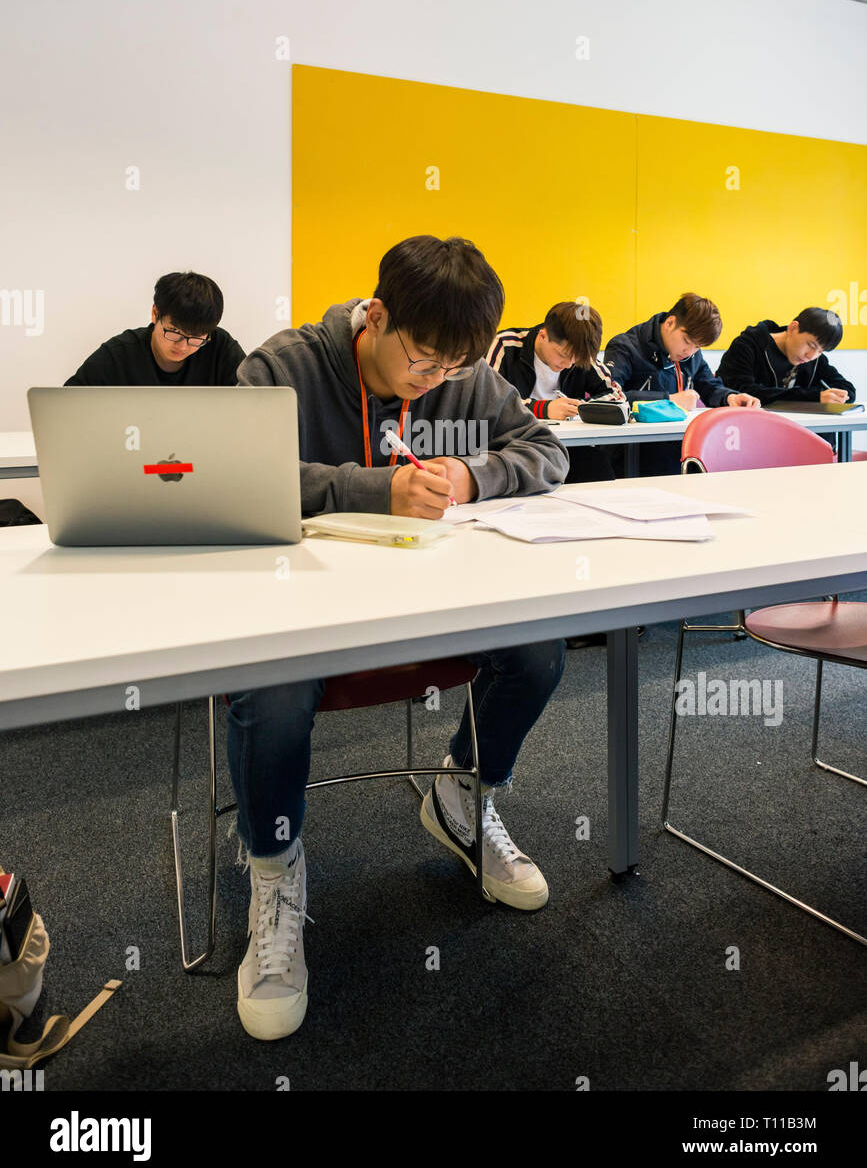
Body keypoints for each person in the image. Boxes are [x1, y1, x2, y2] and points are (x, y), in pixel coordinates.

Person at [227, 235, 569, 1041]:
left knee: (537, 649)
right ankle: (274, 870)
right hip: (297, 610)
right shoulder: (282, 368)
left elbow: (546, 450)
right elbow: (231, 474)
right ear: (375, 316)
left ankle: (460, 792)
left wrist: (473, 475)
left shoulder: (467, 375)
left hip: (428, 604)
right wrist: (370, 490)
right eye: (421, 361)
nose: (436, 380)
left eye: (455, 367)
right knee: (271, 695)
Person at [603, 292, 760, 474]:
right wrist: (669, 400)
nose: (689, 352)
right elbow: (611, 398)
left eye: (698, 347)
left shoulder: (690, 354)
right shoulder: (625, 347)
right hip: (632, 453)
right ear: (670, 323)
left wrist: (730, 397)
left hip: (678, 448)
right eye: (687, 341)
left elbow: (709, 385)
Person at [487, 300, 624, 483]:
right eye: (562, 355)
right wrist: (543, 409)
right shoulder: (506, 345)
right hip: (514, 446)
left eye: (576, 359)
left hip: (567, 446)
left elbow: (617, 395)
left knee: (599, 469)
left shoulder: (577, 354)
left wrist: (583, 408)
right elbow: (489, 401)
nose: (568, 364)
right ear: (543, 335)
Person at [64, 271, 245, 385]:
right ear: (155, 313)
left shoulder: (220, 348)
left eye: (196, 339)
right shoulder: (119, 354)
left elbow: (253, 408)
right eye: (174, 333)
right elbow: (67, 406)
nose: (182, 346)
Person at [717, 308, 856, 405]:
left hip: (794, 433)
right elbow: (744, 392)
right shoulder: (748, 346)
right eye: (811, 345)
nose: (811, 356)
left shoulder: (814, 359)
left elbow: (847, 390)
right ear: (793, 328)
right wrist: (814, 397)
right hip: (746, 431)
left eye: (821, 351)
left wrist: (836, 397)